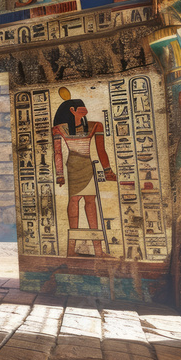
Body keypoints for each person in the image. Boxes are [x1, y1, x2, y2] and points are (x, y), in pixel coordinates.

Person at [52, 89, 115, 256]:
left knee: (90, 203)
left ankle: (98, 250)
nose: (85, 109)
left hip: (88, 167)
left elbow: (101, 150)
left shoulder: (96, 126)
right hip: (73, 166)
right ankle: (71, 250)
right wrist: (60, 174)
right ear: (72, 110)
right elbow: (57, 153)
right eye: (82, 107)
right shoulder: (59, 129)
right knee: (74, 201)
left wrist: (107, 170)